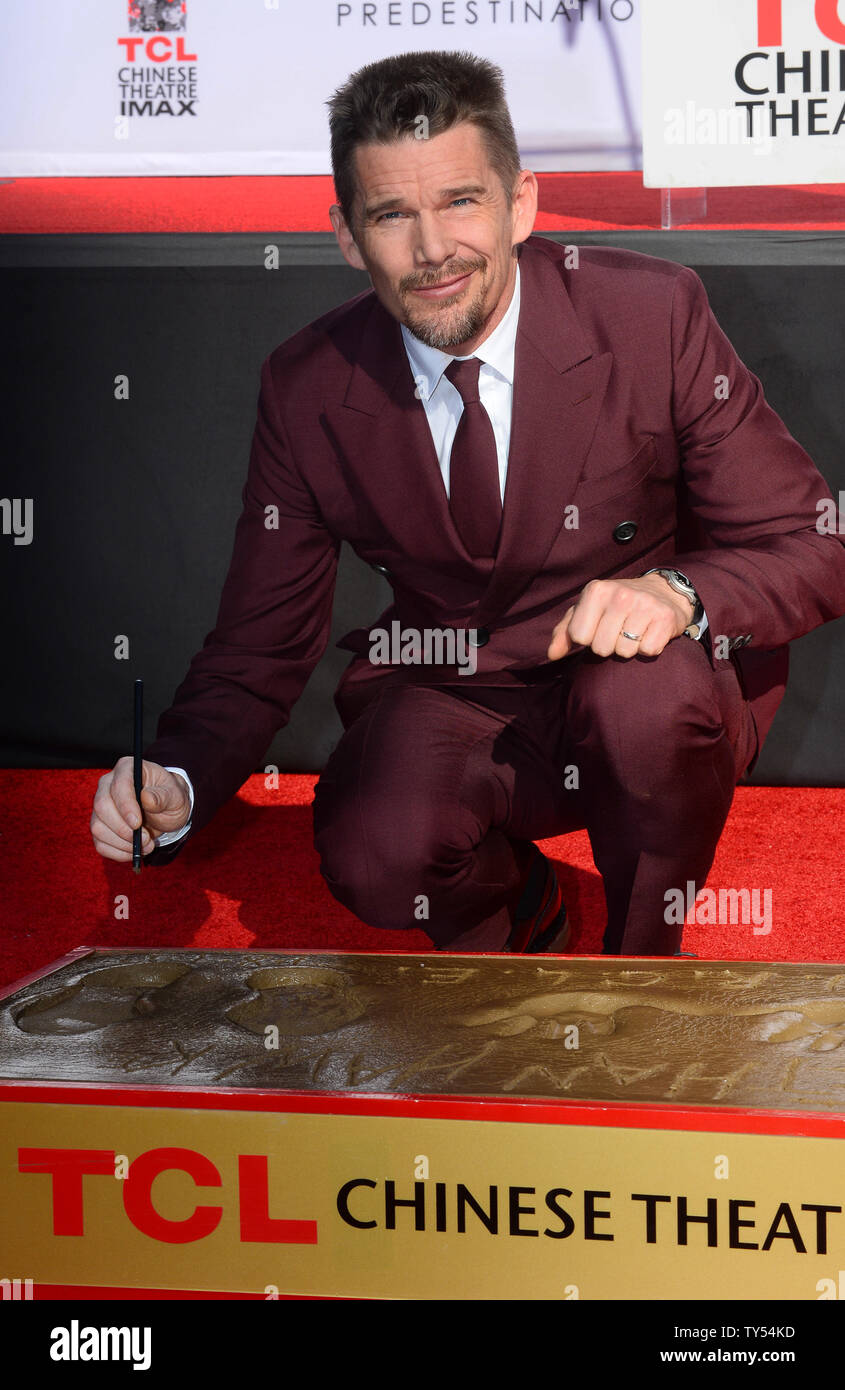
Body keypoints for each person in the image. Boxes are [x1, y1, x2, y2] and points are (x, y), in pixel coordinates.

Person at [90, 50, 845, 956]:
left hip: (649, 696)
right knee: (374, 851)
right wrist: (174, 777)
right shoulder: (307, 384)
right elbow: (259, 640)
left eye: (460, 201)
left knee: (646, 697)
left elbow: (811, 541)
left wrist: (675, 596)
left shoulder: (652, 314)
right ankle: (523, 918)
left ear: (520, 201)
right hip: (458, 686)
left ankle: (649, 963)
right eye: (391, 215)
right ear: (345, 234)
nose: (433, 248)